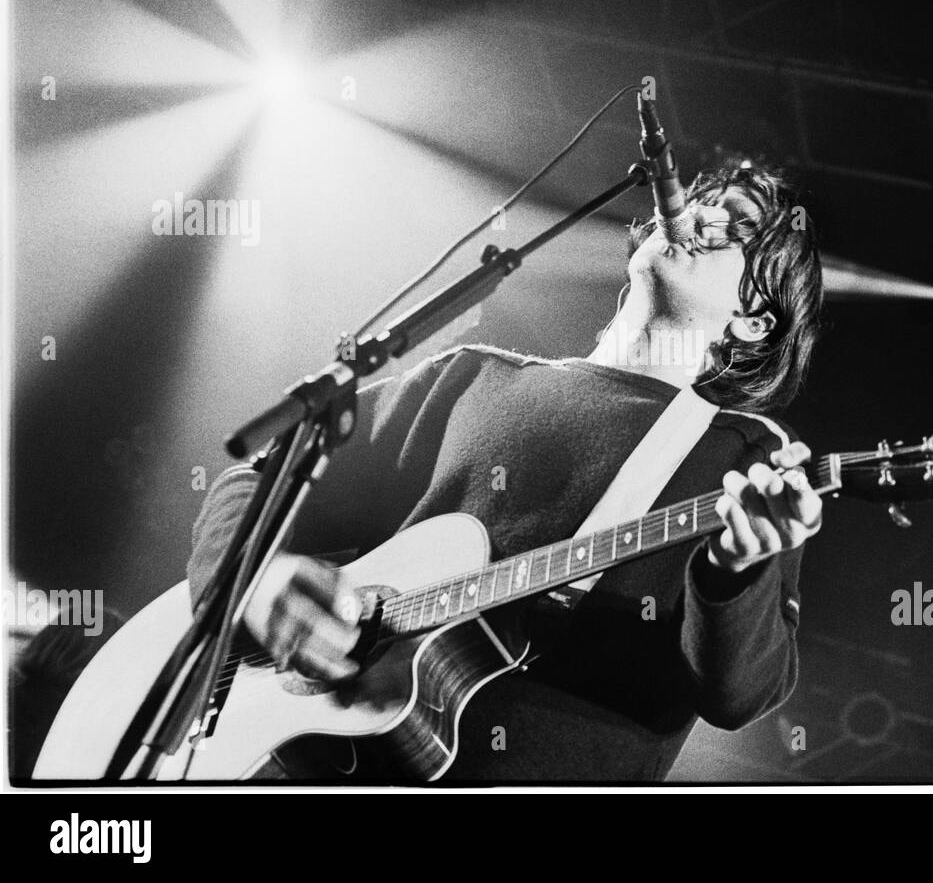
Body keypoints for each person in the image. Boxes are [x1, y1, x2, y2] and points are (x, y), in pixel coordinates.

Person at [189, 164, 826, 782]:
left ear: (753, 321)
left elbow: (739, 696)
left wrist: (731, 574)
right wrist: (256, 587)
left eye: (736, 227)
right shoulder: (468, 377)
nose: (697, 212)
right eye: (703, 198)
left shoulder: (746, 457)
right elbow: (257, 480)